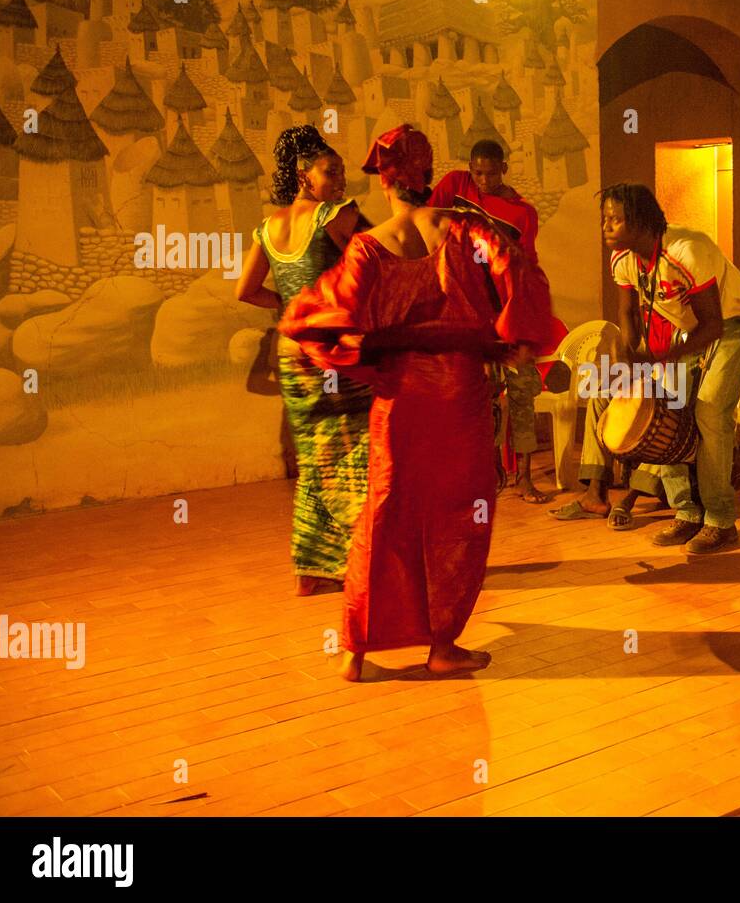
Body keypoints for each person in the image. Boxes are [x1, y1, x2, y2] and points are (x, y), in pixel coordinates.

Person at [280, 125, 553, 680]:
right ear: (430, 175)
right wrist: (512, 341)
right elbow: (518, 271)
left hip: (399, 402)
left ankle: (358, 650)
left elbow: (317, 316)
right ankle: (442, 645)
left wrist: (367, 355)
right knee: (457, 520)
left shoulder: (365, 247)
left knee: (386, 516)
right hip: (457, 399)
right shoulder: (467, 230)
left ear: (384, 181)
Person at [550, 184, 740, 554]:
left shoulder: (687, 250)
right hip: (687, 330)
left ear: (642, 221)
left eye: (615, 219)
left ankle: (720, 521)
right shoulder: (624, 259)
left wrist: (657, 358)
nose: (607, 227)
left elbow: (712, 325)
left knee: (710, 410)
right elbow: (627, 313)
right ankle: (686, 512)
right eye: (605, 219)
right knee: (668, 406)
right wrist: (628, 356)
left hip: (733, 321)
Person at [235, 124, 371, 597]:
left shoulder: (268, 226)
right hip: (331, 352)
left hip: (291, 355)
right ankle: (366, 562)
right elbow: (391, 247)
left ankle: (310, 571)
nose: (339, 180)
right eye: (330, 172)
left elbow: (245, 289)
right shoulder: (338, 215)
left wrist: (288, 306)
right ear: (303, 175)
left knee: (316, 461)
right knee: (362, 454)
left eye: (341, 173)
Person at [428, 139, 563, 504]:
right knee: (473, 396)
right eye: (477, 171)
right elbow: (425, 226)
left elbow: (526, 266)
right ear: (469, 168)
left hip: (507, 314)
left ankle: (524, 478)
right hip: (464, 314)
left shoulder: (522, 213)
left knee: (522, 394)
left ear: (504, 167)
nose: (483, 180)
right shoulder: (456, 186)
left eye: (490, 172)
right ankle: (480, 476)